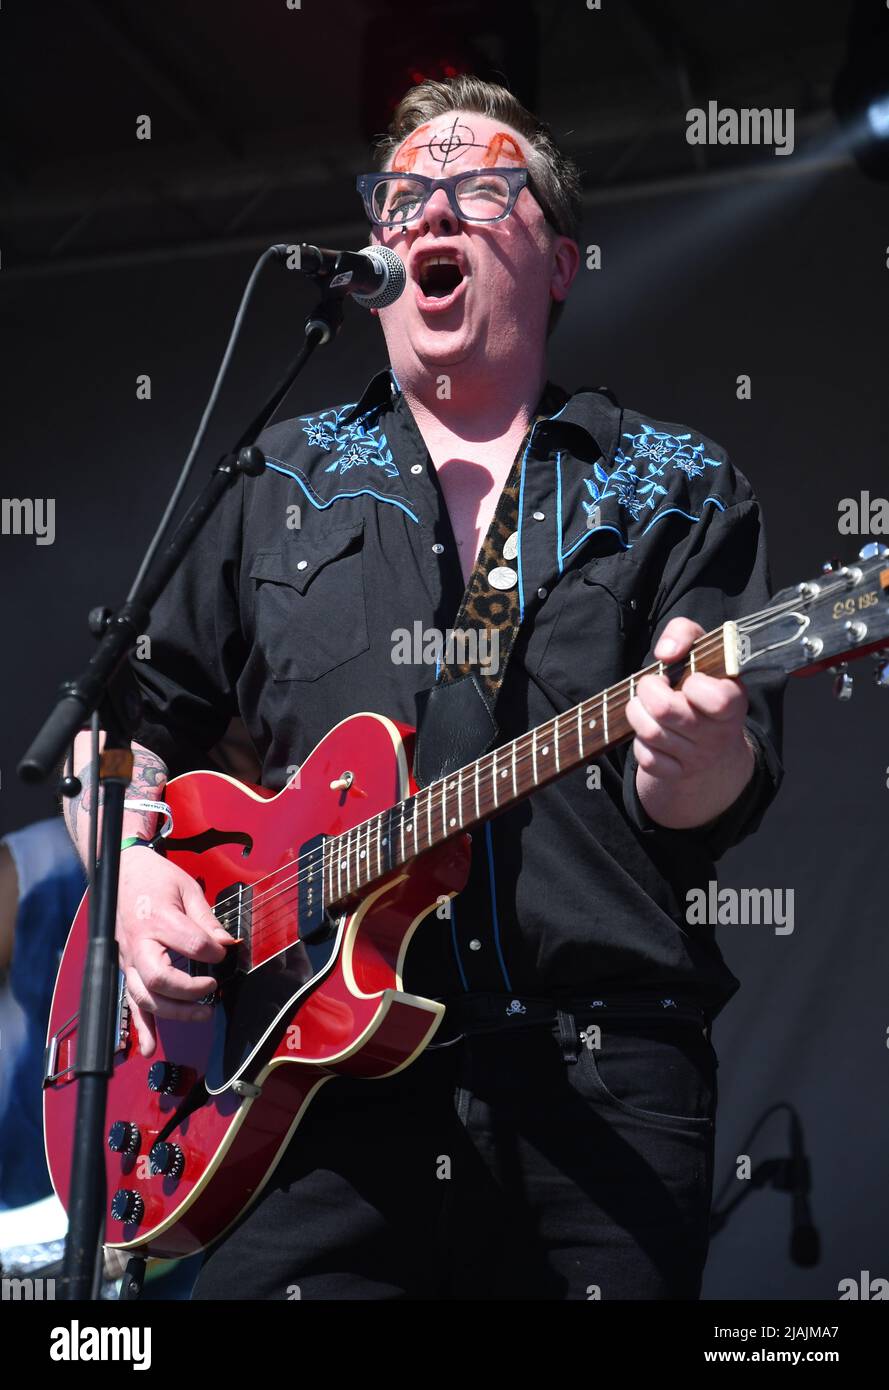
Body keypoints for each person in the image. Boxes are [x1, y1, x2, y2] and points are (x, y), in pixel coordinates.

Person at [63, 76, 784, 1300]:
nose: (432, 213)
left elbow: (714, 785)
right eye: (403, 198)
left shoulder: (670, 480)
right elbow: (111, 729)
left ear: (557, 262)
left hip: (600, 1075)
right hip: (308, 1085)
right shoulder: (278, 478)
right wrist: (129, 880)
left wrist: (695, 760)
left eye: (481, 189)